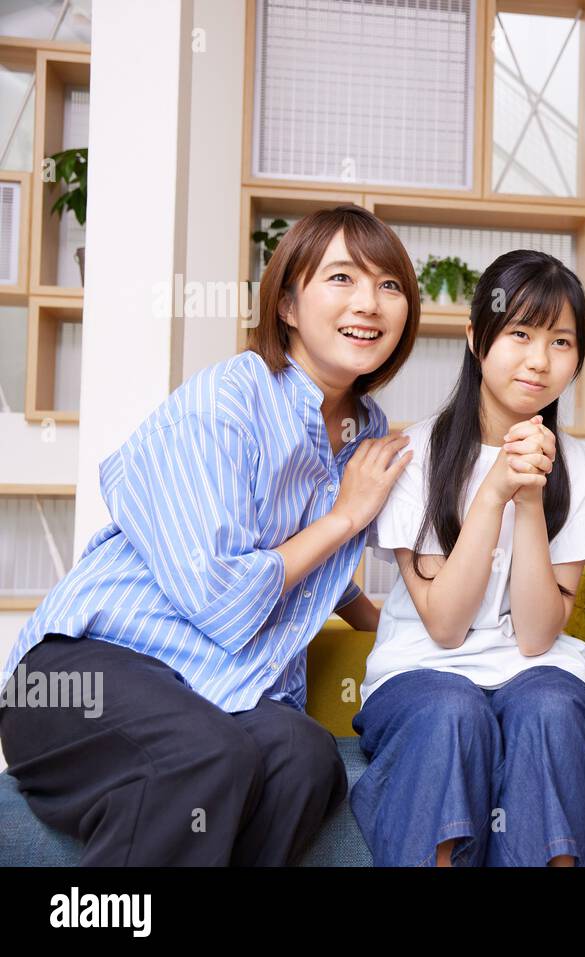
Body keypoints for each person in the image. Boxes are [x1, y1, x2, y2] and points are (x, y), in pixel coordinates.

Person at [0, 204, 420, 865]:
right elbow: (224, 593)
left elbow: (306, 557)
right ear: (287, 304)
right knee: (205, 753)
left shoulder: (364, 429)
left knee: (308, 758)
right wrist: (345, 515)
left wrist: (381, 618)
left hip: (211, 691)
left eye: (389, 285)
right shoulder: (229, 398)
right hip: (84, 671)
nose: (369, 302)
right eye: (342, 278)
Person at [350, 249, 585, 867]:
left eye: (561, 341)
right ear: (476, 337)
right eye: (520, 333)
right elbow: (445, 625)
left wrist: (530, 503)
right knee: (453, 712)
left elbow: (537, 638)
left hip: (538, 675)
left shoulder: (583, 471)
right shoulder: (412, 458)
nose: (539, 360)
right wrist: (494, 490)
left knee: (548, 707)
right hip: (422, 676)